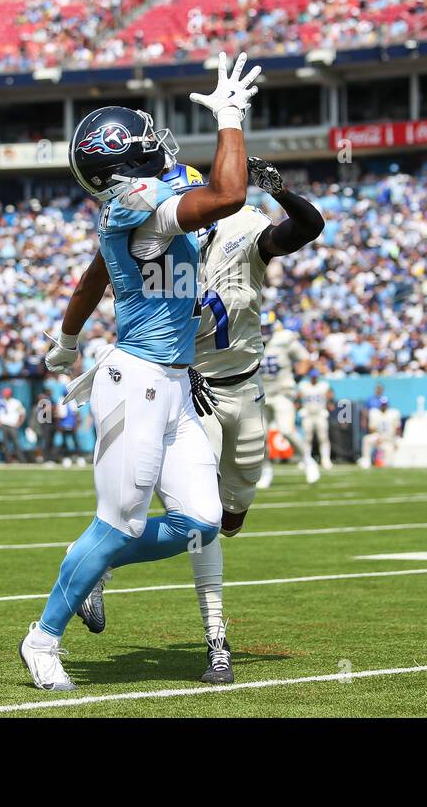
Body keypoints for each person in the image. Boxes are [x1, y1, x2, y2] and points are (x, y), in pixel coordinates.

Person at [25, 51, 261, 691]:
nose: (162, 149)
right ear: (125, 166)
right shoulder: (135, 203)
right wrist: (232, 118)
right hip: (136, 381)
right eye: (147, 144)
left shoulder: (140, 199)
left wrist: (67, 339)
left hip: (179, 383)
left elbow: (94, 275)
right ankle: (43, 637)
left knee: (201, 522)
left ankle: (93, 564)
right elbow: (230, 194)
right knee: (120, 519)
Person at [51, 153, 324, 684]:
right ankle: (216, 638)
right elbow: (97, 277)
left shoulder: (241, 229)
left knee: (233, 513)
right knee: (202, 521)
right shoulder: (153, 230)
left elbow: (307, 227)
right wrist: (70, 340)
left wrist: (281, 191)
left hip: (243, 387)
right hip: (186, 388)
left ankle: (99, 559)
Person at [258, 314, 320, 486]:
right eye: (261, 327)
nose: (264, 331)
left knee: (286, 430)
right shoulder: (252, 340)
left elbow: (305, 358)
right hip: (261, 395)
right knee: (259, 436)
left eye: (266, 327)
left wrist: (297, 379)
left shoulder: (283, 339)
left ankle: (308, 460)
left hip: (282, 393)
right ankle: (266, 471)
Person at [298, 368, 333, 470]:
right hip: (307, 414)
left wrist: (329, 403)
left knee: (323, 438)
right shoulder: (304, 385)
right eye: (312, 376)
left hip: (320, 414)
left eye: (315, 376)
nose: (314, 378)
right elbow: (298, 397)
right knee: (306, 439)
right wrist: (298, 405)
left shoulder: (324, 385)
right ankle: (305, 459)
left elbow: (330, 395)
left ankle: (326, 459)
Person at [359, 396, 402, 467]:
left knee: (389, 463)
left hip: (389, 440)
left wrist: (395, 440)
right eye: (382, 404)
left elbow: (397, 429)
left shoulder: (393, 413)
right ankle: (366, 460)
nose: (383, 406)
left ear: (387, 404)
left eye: (385, 404)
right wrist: (378, 437)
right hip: (378, 437)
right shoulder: (374, 413)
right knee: (366, 439)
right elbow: (371, 428)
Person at [0, 387, 29, 463]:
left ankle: (22, 460)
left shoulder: (16, 402)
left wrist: (19, 422)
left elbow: (22, 413)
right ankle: (7, 460)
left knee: (16, 443)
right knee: (5, 444)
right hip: (3, 425)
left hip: (12, 425)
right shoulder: (0, 402)